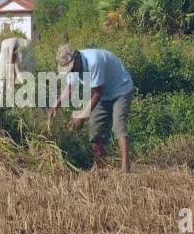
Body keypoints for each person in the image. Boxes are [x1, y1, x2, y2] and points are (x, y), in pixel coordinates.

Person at [49, 45, 134, 173]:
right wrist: (56, 104)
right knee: (96, 129)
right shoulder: (74, 69)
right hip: (102, 92)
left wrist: (82, 117)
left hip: (120, 89)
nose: (70, 71)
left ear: (76, 56)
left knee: (118, 126)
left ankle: (125, 167)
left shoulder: (94, 61)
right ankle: (99, 166)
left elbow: (98, 92)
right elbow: (71, 88)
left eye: (71, 67)